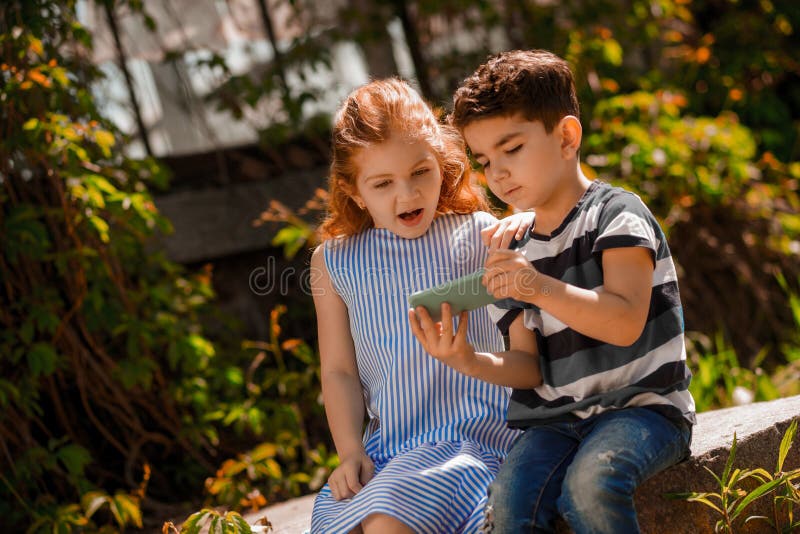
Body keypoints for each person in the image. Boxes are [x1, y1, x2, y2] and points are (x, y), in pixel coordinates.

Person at [410, 50, 696, 533]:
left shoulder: (616, 215)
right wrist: (468, 360)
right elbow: (529, 366)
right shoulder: (513, 248)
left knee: (590, 485)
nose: (497, 173)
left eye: (512, 148)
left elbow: (625, 322)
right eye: (484, 160)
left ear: (566, 137)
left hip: (643, 410)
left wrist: (538, 286)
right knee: (504, 507)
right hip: (555, 423)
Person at [309, 78, 539, 534]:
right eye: (382, 183)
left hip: (473, 440)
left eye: (421, 172)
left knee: (385, 522)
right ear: (354, 191)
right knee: (351, 517)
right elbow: (338, 371)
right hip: (391, 448)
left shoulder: (479, 233)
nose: (408, 194)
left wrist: (526, 226)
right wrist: (351, 452)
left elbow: (531, 312)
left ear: (442, 162)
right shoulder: (332, 262)